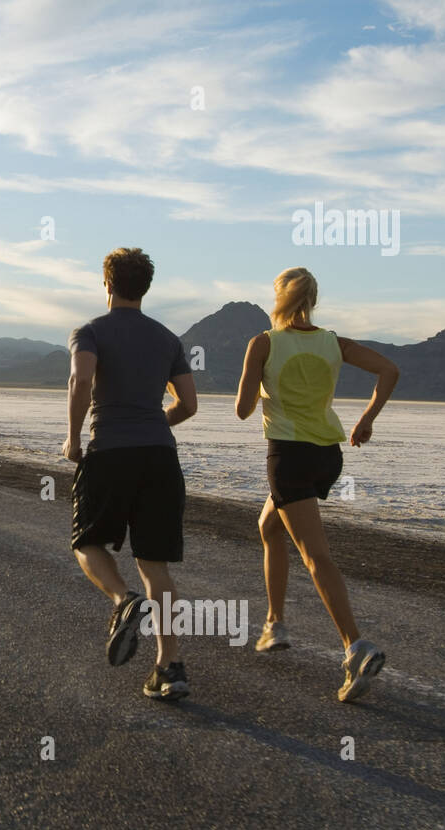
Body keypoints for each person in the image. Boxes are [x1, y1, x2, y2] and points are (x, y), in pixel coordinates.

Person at [234, 267, 399, 702]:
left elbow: (242, 410)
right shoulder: (333, 342)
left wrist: (257, 377)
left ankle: (355, 647)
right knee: (269, 527)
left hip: (288, 457)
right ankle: (274, 623)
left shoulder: (263, 343)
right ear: (312, 299)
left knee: (315, 556)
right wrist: (366, 419)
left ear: (280, 298)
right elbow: (389, 370)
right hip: (327, 455)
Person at [63, 248, 198, 700]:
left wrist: (74, 439)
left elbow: (81, 381)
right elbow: (189, 405)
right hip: (160, 458)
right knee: (154, 565)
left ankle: (123, 601)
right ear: (145, 287)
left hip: (110, 452)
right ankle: (170, 667)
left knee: (87, 541)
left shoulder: (90, 332)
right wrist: (155, 422)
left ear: (107, 284)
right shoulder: (167, 339)